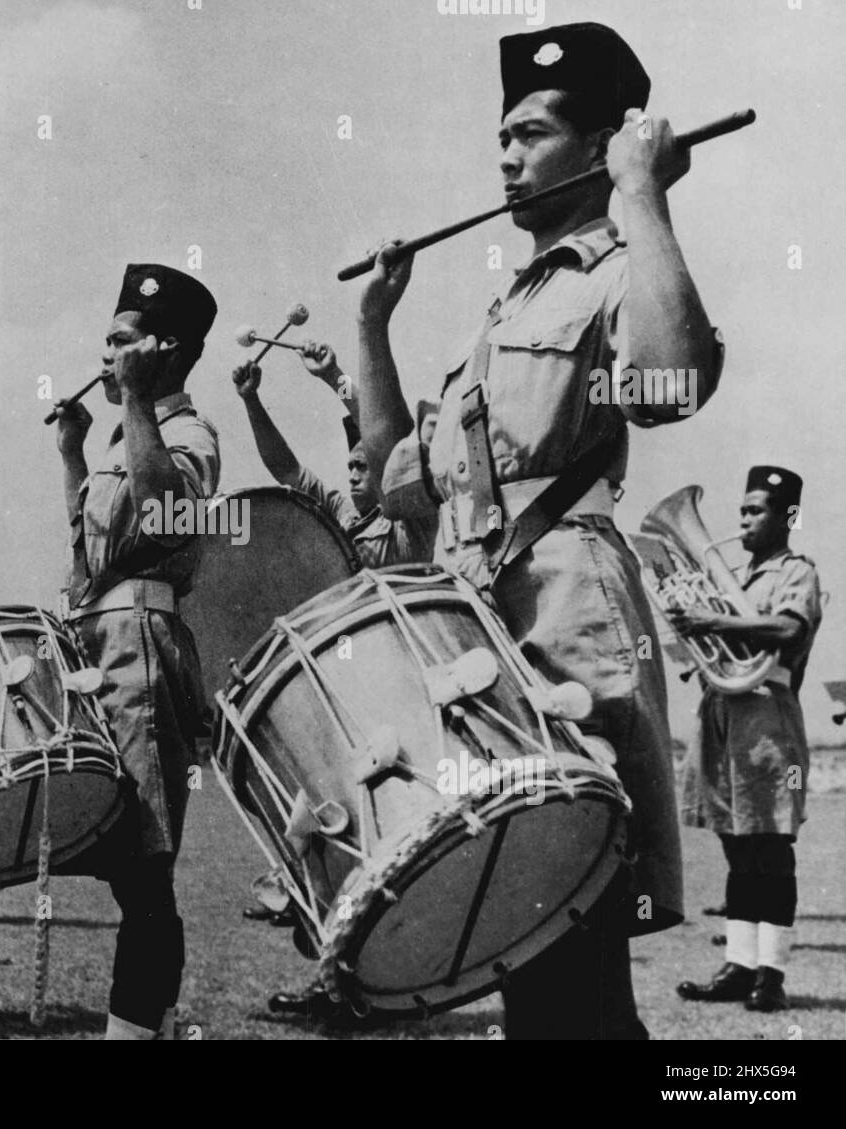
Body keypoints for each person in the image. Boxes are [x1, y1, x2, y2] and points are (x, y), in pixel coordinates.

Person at [288, 22, 726, 1037]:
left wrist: (643, 195)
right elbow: (394, 479)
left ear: (600, 144)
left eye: (530, 132)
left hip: (567, 612)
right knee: (523, 947)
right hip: (482, 629)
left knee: (576, 946)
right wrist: (372, 327)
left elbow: (673, 385)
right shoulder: (506, 307)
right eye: (501, 135)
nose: (505, 154)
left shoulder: (619, 267)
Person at [53, 263, 220, 1040]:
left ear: (165, 349)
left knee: (147, 871)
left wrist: (133, 399)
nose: (105, 352)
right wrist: (72, 459)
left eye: (122, 340)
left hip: (144, 652)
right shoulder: (131, 434)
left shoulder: (188, 432)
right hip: (101, 644)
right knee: (125, 864)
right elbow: (92, 556)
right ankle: (150, 1023)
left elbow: (161, 521)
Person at [676, 466, 821, 1012]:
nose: (743, 521)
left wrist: (711, 622)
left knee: (770, 851)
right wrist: (694, 627)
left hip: (767, 721)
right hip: (721, 717)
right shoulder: (736, 575)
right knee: (737, 847)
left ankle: (772, 974)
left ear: (787, 518)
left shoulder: (796, 573)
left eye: (756, 511)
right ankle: (739, 966)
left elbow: (788, 631)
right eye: (741, 510)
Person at [231, 340, 436, 568]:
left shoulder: (406, 523)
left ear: (381, 469)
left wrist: (334, 375)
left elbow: (375, 424)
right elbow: (289, 471)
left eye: (361, 466)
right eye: (351, 467)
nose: (353, 476)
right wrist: (251, 400)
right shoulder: (345, 515)